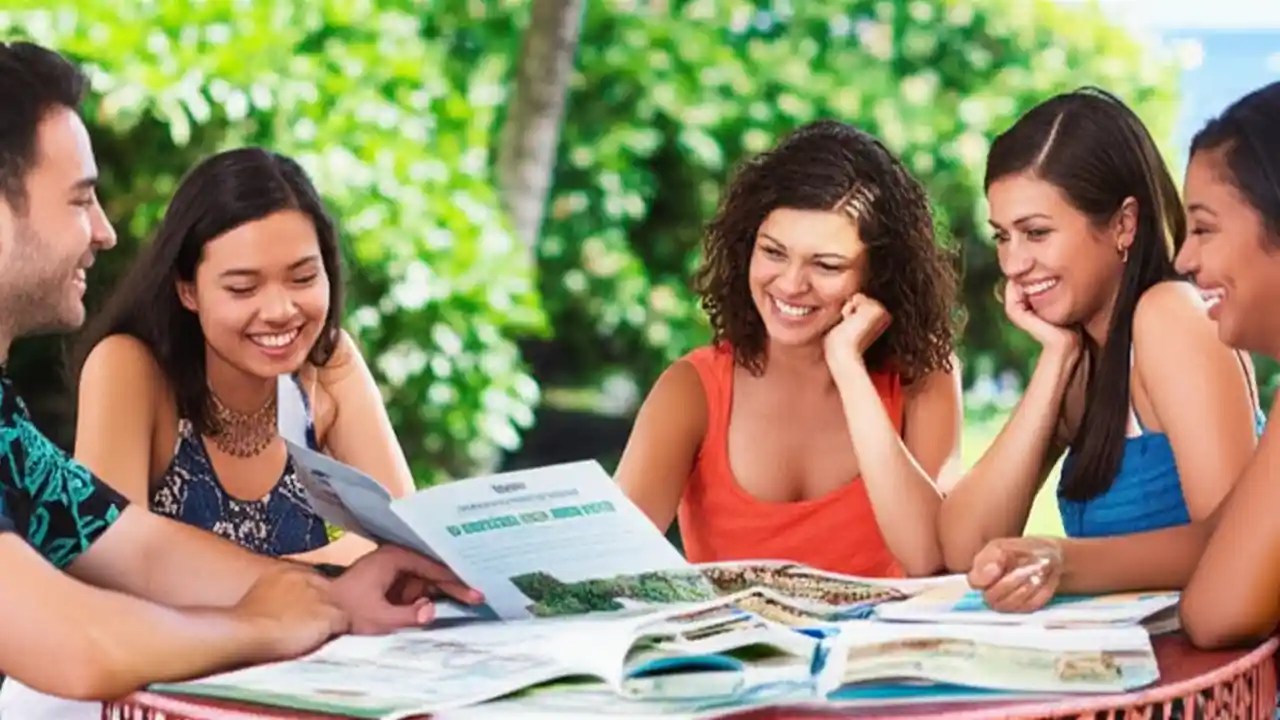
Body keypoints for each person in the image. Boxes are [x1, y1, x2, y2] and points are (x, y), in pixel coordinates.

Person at [0, 40, 480, 702]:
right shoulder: (135, 367)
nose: (106, 231)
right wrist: (264, 622)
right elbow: (78, 643)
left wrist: (335, 599)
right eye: (81, 201)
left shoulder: (9, 433)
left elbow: (138, 550)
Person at [967, 81, 1280, 650]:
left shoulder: (1168, 314)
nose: (1013, 263)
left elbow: (1223, 565)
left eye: (1036, 232)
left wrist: (1063, 560)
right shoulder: (1083, 361)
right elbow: (966, 547)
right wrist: (1054, 361)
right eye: (1002, 237)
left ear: (1123, 225)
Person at [615, 120, 964, 578]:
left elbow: (930, 558)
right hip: (735, 649)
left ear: (878, 275)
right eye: (774, 253)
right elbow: (610, 560)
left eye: (826, 264)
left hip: (875, 648)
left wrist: (848, 367)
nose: (791, 284)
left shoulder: (925, 377)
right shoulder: (692, 389)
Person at [68, 146, 411, 567]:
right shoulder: (130, 367)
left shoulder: (327, 364)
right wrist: (315, 576)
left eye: (303, 278)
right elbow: (109, 565)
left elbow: (408, 538)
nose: (280, 311)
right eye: (243, 288)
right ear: (188, 290)